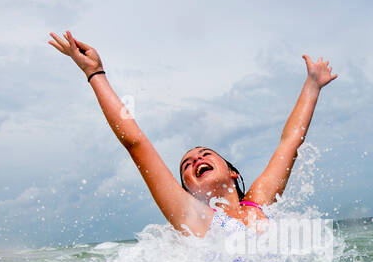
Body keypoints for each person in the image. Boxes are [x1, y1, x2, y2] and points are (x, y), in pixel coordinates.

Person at [48, 31, 336, 238]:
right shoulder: (194, 219)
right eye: (187, 165)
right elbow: (135, 143)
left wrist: (312, 85)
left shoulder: (258, 203)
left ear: (233, 173)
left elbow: (290, 143)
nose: (196, 160)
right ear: (186, 189)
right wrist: (95, 73)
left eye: (205, 154)